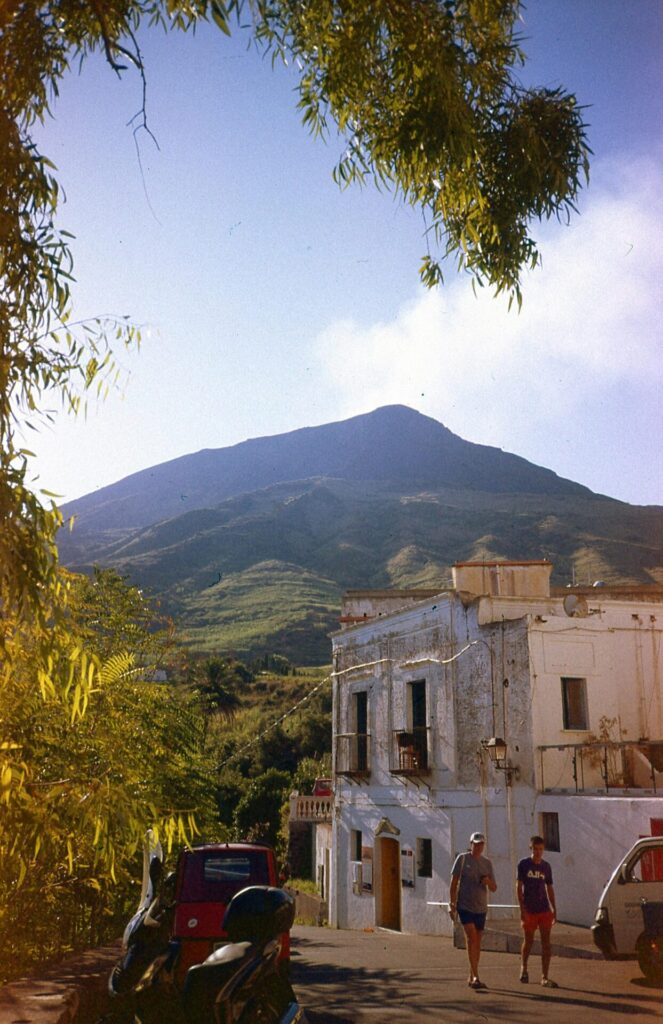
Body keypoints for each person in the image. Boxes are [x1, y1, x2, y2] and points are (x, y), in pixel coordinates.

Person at [449, 832, 497, 990]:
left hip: (481, 908)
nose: (478, 847)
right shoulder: (462, 859)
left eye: (481, 844)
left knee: (477, 942)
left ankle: (472, 974)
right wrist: (452, 904)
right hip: (465, 906)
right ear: (470, 844)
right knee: (471, 939)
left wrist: (488, 881)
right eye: (476, 844)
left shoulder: (487, 863)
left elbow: (494, 887)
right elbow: (454, 882)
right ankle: (476, 976)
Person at [517, 835, 558, 987]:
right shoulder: (523, 864)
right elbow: (518, 887)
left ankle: (545, 976)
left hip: (544, 909)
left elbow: (549, 887)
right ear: (531, 848)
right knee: (528, 940)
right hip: (529, 908)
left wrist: (554, 908)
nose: (538, 852)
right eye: (535, 849)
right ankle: (524, 968)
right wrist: (522, 909)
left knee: (546, 943)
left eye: (541, 849)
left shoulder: (546, 867)